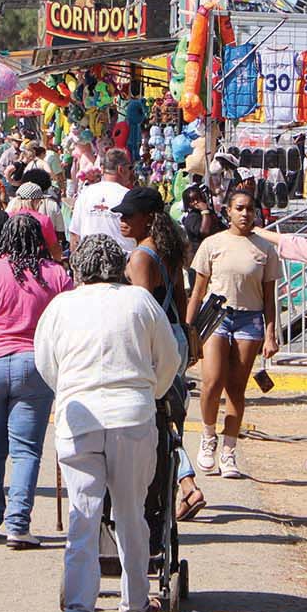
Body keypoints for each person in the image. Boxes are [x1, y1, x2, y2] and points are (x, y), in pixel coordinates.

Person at [35, 234, 183, 612]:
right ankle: (134, 602)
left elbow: (46, 363)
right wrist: (150, 393)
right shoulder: (139, 301)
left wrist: (68, 393)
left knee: (83, 515)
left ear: (77, 267)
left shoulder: (62, 305)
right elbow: (169, 359)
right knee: (130, 512)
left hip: (78, 416)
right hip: (131, 414)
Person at [0, 214, 73, 547]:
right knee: (26, 450)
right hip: (36, 364)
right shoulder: (57, 275)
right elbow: (67, 323)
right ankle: (18, 524)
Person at [115, 187, 208, 521]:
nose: (122, 220)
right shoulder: (167, 252)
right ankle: (182, 486)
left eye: (128, 215)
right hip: (173, 340)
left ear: (148, 219)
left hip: (152, 346)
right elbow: (181, 303)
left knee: (156, 422)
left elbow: (139, 310)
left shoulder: (141, 256)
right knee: (169, 417)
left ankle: (184, 487)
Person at [184, 185, 281, 479]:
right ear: (227, 212)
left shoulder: (264, 249)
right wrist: (189, 330)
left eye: (250, 209)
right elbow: (198, 291)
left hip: (249, 320)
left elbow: (269, 296)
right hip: (217, 317)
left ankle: (228, 451)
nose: (245, 214)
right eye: (239, 208)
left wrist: (271, 332)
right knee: (212, 381)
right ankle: (208, 435)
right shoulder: (212, 244)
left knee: (236, 388)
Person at [68, 149, 133, 249]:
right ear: (121, 169)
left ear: (102, 169)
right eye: (130, 168)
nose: (131, 172)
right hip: (120, 260)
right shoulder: (129, 196)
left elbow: (74, 235)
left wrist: (75, 262)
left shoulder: (86, 193)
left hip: (88, 258)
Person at [7, 178, 63, 258]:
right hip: (37, 262)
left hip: (11, 260)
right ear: (33, 201)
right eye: (40, 201)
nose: (40, 204)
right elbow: (53, 248)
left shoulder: (8, 217)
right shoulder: (44, 220)